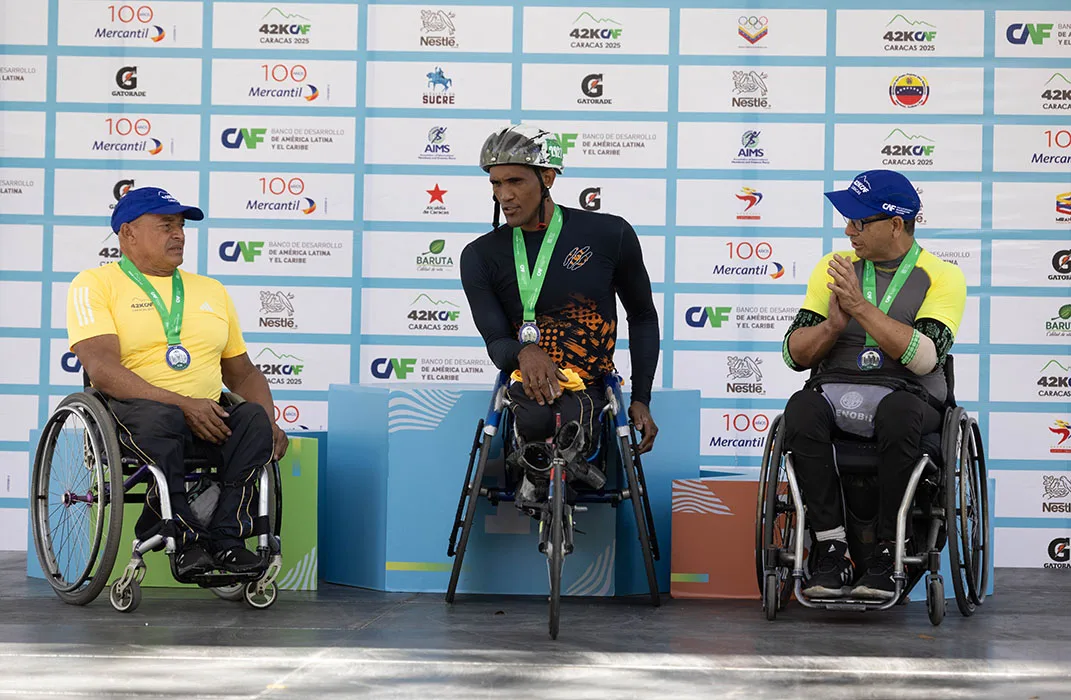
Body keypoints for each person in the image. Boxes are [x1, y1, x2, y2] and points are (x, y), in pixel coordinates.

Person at [66, 186, 289, 577]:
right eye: (165, 225)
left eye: (181, 226)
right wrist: (181, 403)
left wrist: (269, 421)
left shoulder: (211, 291)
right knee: (163, 418)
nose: (179, 234)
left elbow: (244, 373)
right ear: (128, 233)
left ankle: (226, 537)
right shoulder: (95, 284)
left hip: (208, 414)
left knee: (252, 419)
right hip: (133, 413)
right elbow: (101, 368)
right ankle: (183, 540)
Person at [780, 169, 966, 600]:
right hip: (834, 387)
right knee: (800, 409)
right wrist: (832, 326)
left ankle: (889, 548)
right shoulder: (832, 267)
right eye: (847, 221)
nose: (848, 231)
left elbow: (924, 356)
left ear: (895, 224)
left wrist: (861, 308)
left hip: (908, 394)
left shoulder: (942, 275)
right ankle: (830, 547)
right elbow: (794, 354)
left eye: (859, 222)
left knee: (898, 413)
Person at [460, 123, 660, 506]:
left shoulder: (609, 234)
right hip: (525, 382)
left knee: (569, 416)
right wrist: (524, 352)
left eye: (515, 181)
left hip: (591, 384)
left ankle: (551, 469)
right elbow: (496, 339)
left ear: (547, 177)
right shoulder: (479, 255)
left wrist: (643, 398)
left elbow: (643, 316)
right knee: (536, 417)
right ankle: (539, 470)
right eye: (496, 184)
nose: (505, 195)